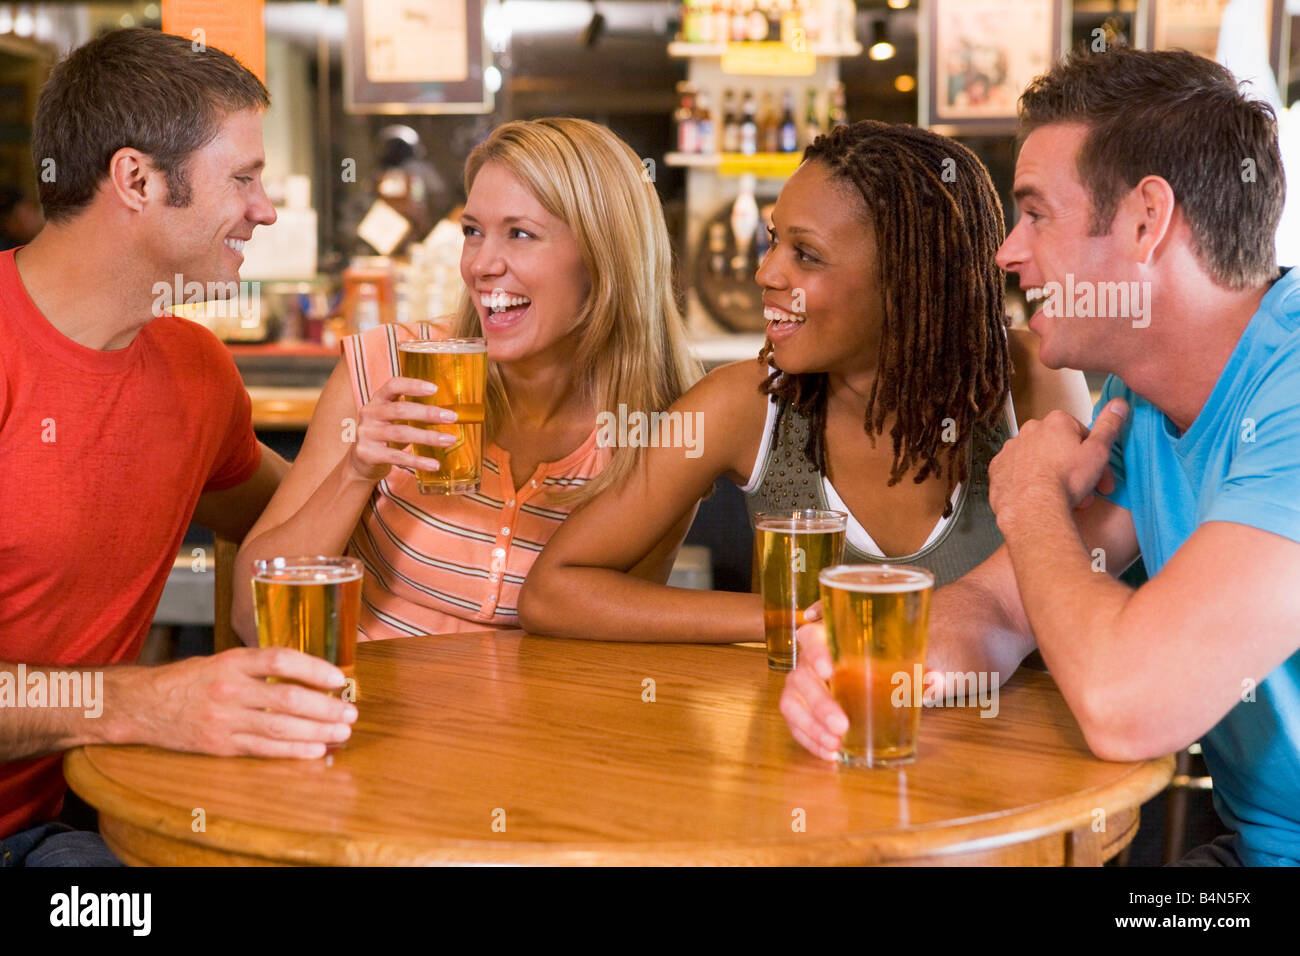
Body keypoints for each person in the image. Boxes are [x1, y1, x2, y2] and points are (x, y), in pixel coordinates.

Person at [781, 48, 1299, 867]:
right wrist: (861, 664)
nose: (1006, 254)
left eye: (1035, 214)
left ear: (1143, 221)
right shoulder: (1144, 406)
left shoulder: (1292, 398)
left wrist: (1028, 500)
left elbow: (1125, 704)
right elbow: (999, 611)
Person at [0, 28, 357, 867]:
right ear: (137, 180)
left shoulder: (194, 371)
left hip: (79, 821)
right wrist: (146, 702)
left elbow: (282, 532)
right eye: (243, 178)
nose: (265, 210)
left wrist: (365, 450)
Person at [520, 121, 1092, 642]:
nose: (765, 273)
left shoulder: (1032, 382)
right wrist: (788, 618)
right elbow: (554, 590)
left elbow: (1078, 597)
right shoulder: (746, 403)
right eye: (774, 240)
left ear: (905, 282)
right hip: (804, 742)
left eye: (807, 255)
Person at [233, 118, 701, 641]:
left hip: (532, 718)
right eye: (472, 231)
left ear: (602, 257)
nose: (480, 264)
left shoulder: (655, 426)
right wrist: (357, 471)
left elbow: (614, 651)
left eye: (520, 234)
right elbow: (251, 616)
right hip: (358, 708)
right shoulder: (391, 365)